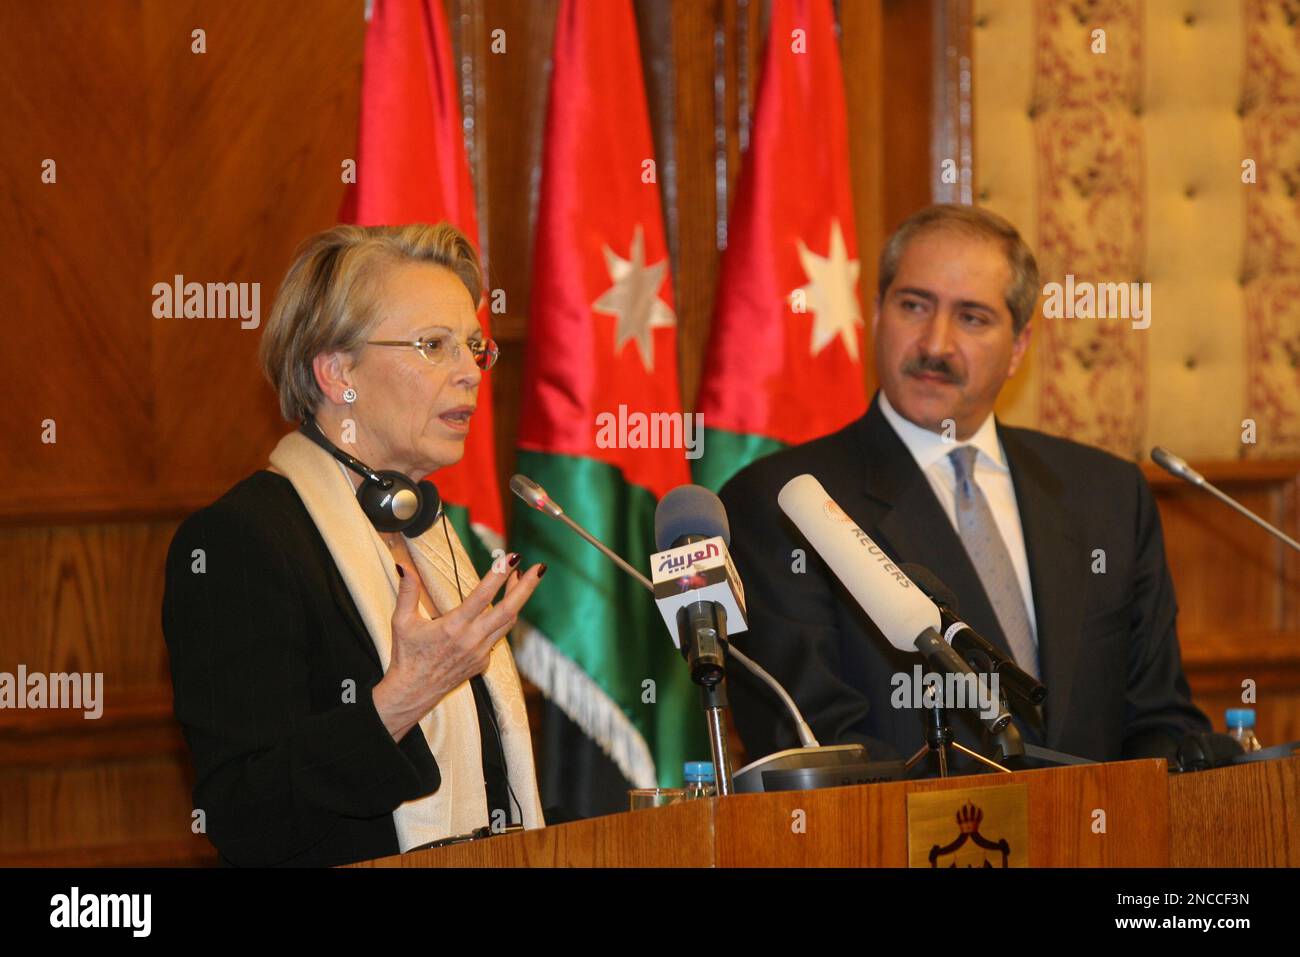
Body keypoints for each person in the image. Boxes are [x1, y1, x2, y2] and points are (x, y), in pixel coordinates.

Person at [721, 204, 1210, 772]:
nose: (936, 344)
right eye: (914, 306)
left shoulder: (1108, 495)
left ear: (1021, 344)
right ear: (877, 313)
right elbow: (818, 746)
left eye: (972, 318)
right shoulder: (787, 503)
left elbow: (1159, 723)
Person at [162, 223, 547, 866]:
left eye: (475, 347)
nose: (469, 373)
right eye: (434, 345)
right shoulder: (240, 542)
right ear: (339, 373)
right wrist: (402, 699)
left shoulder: (435, 541)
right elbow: (242, 814)